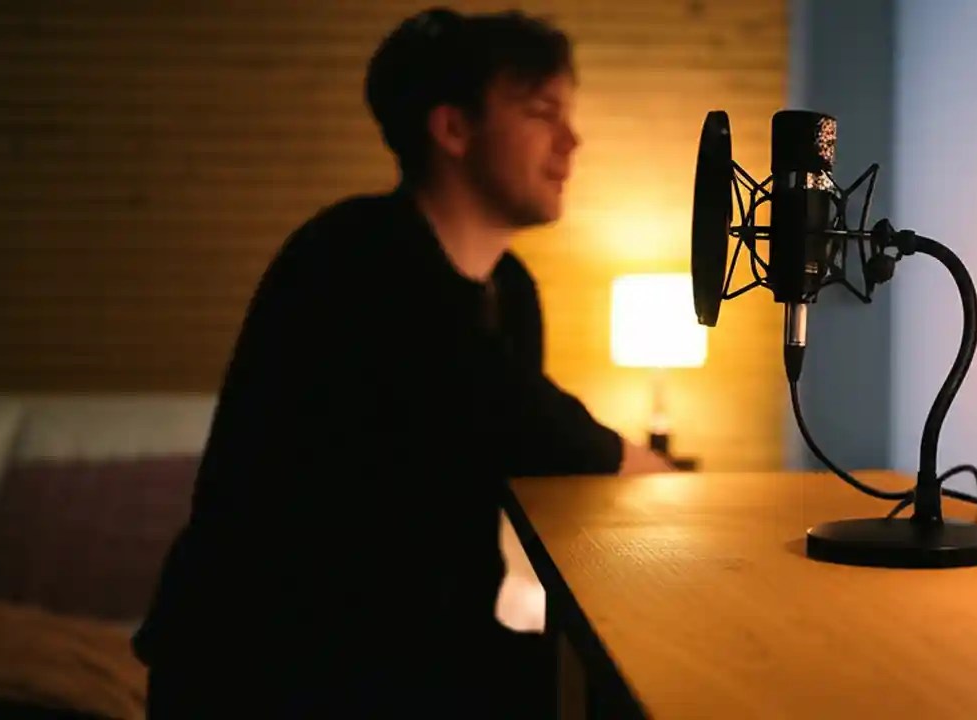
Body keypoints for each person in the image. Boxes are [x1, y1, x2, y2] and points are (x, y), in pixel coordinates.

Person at [132, 6, 674, 717]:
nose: (572, 141)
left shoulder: (512, 291)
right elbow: (522, 417)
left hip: (426, 648)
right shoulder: (353, 256)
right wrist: (657, 473)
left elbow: (526, 438)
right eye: (543, 113)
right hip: (272, 663)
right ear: (452, 129)